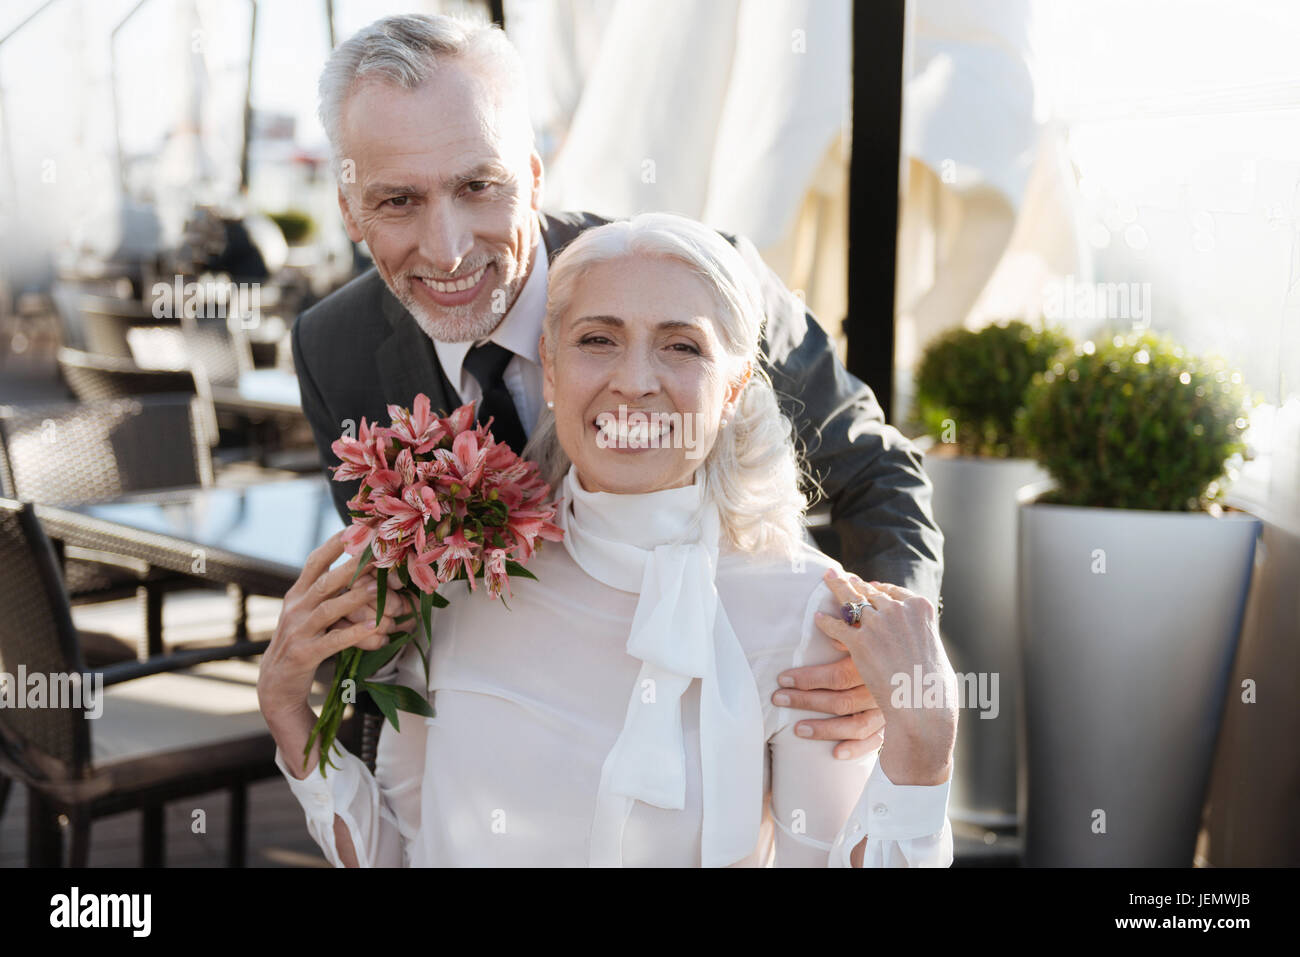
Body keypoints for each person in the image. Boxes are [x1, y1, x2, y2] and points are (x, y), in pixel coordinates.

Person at [290, 13, 942, 764]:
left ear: (533, 175)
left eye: (479, 186)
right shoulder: (330, 346)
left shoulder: (703, 281)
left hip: (717, 747)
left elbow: (879, 475)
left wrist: (882, 656)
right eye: (398, 201)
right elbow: (404, 604)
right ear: (348, 209)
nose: (448, 247)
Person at [259, 212, 957, 866]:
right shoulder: (463, 572)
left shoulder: (805, 611)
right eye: (598, 339)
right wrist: (287, 710)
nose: (634, 381)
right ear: (551, 368)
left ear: (738, 386)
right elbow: (401, 851)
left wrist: (923, 756)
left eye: (681, 345)